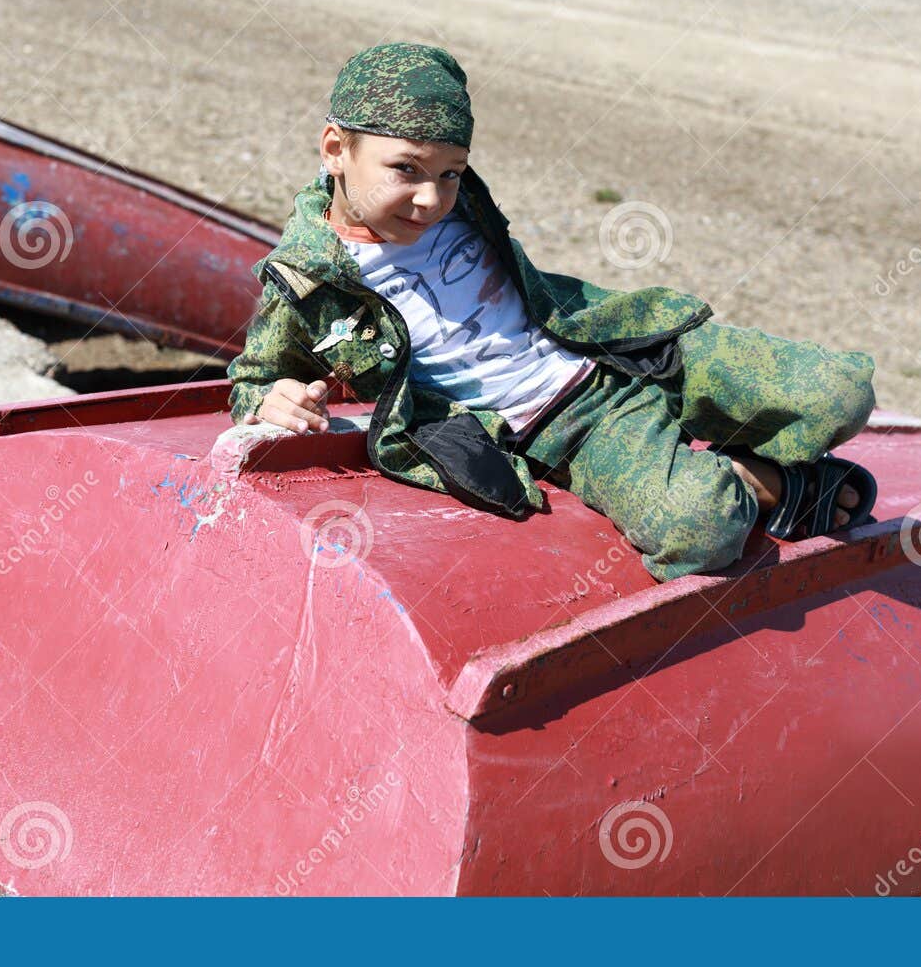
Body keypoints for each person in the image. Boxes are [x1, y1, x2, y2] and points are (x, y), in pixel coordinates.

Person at [226, 42, 877, 582]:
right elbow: (252, 380)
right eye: (406, 169)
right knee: (702, 533)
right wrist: (273, 399)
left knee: (844, 391)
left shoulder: (461, 201)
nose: (431, 198)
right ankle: (772, 486)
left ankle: (719, 437)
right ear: (335, 149)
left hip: (624, 343)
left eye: (451, 172)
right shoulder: (305, 283)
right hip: (569, 423)